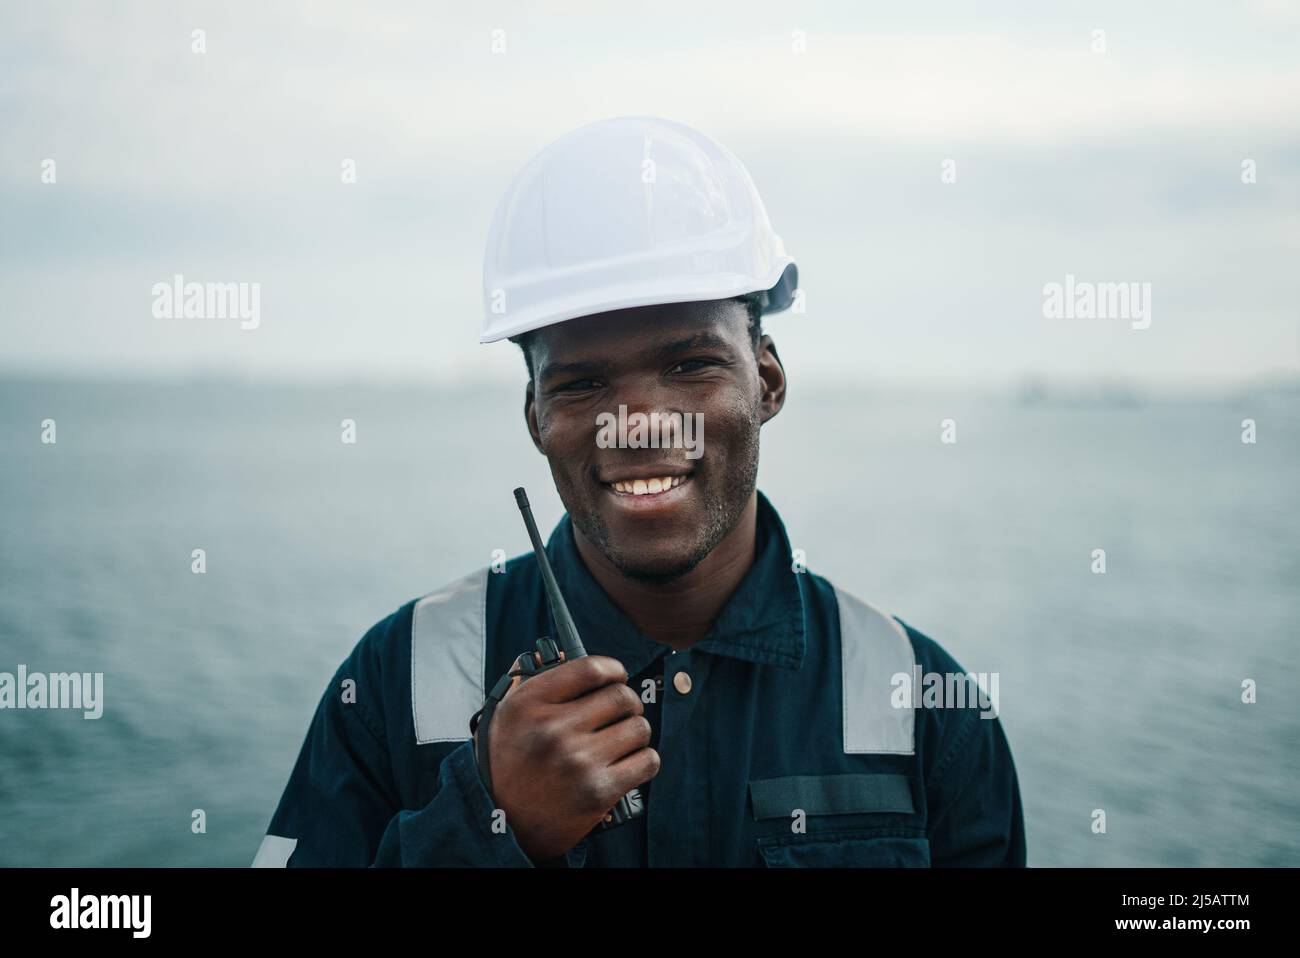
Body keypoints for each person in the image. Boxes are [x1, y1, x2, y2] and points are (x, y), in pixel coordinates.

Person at [252, 117, 1026, 867]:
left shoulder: (924, 706)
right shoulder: (399, 681)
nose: (638, 423)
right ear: (536, 418)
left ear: (769, 381)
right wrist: (488, 829)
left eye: (691, 365)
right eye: (584, 382)